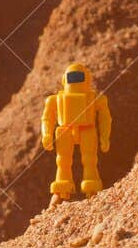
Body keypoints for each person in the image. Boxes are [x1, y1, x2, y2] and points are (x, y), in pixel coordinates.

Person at [40, 62, 111, 205]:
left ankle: (92, 187)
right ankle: (62, 188)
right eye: (73, 77)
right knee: (62, 161)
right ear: (64, 80)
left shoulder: (96, 99)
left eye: (79, 77)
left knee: (90, 159)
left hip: (87, 130)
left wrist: (105, 136)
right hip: (65, 130)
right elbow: (47, 118)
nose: (75, 81)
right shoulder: (54, 100)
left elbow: (105, 118)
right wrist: (46, 134)